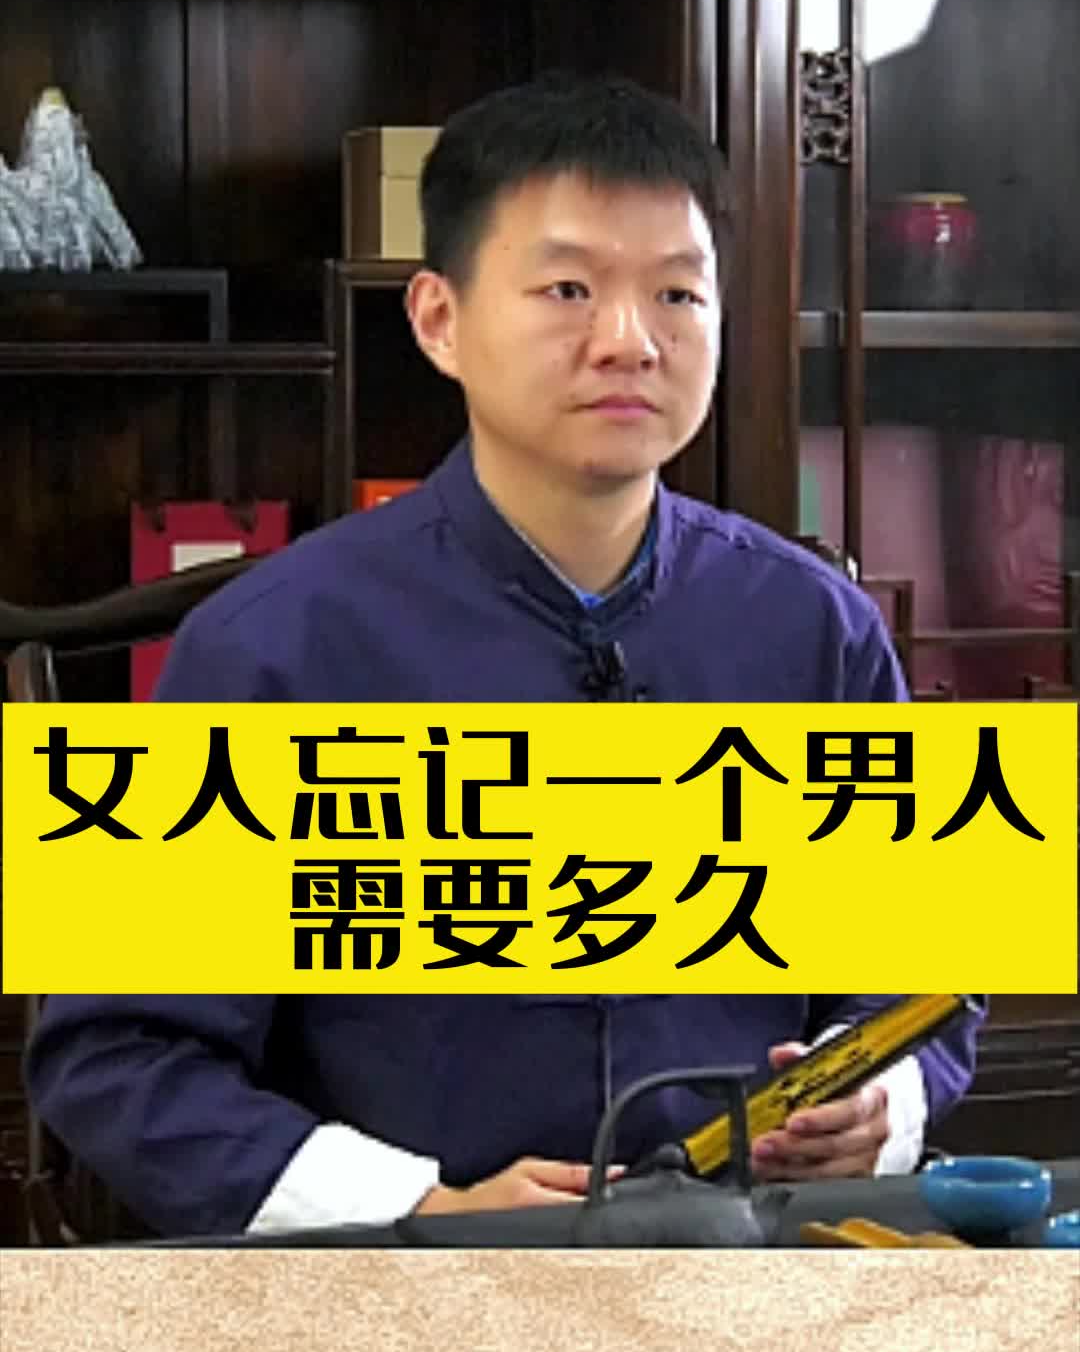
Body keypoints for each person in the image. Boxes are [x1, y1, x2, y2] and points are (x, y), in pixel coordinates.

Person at [25, 73, 981, 1239]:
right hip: (398, 1288)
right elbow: (115, 1052)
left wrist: (879, 1099)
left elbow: (927, 977)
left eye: (679, 294)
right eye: (568, 288)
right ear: (439, 319)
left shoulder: (817, 626)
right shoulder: (270, 646)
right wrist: (421, 1209)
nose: (629, 341)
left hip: (750, 1257)